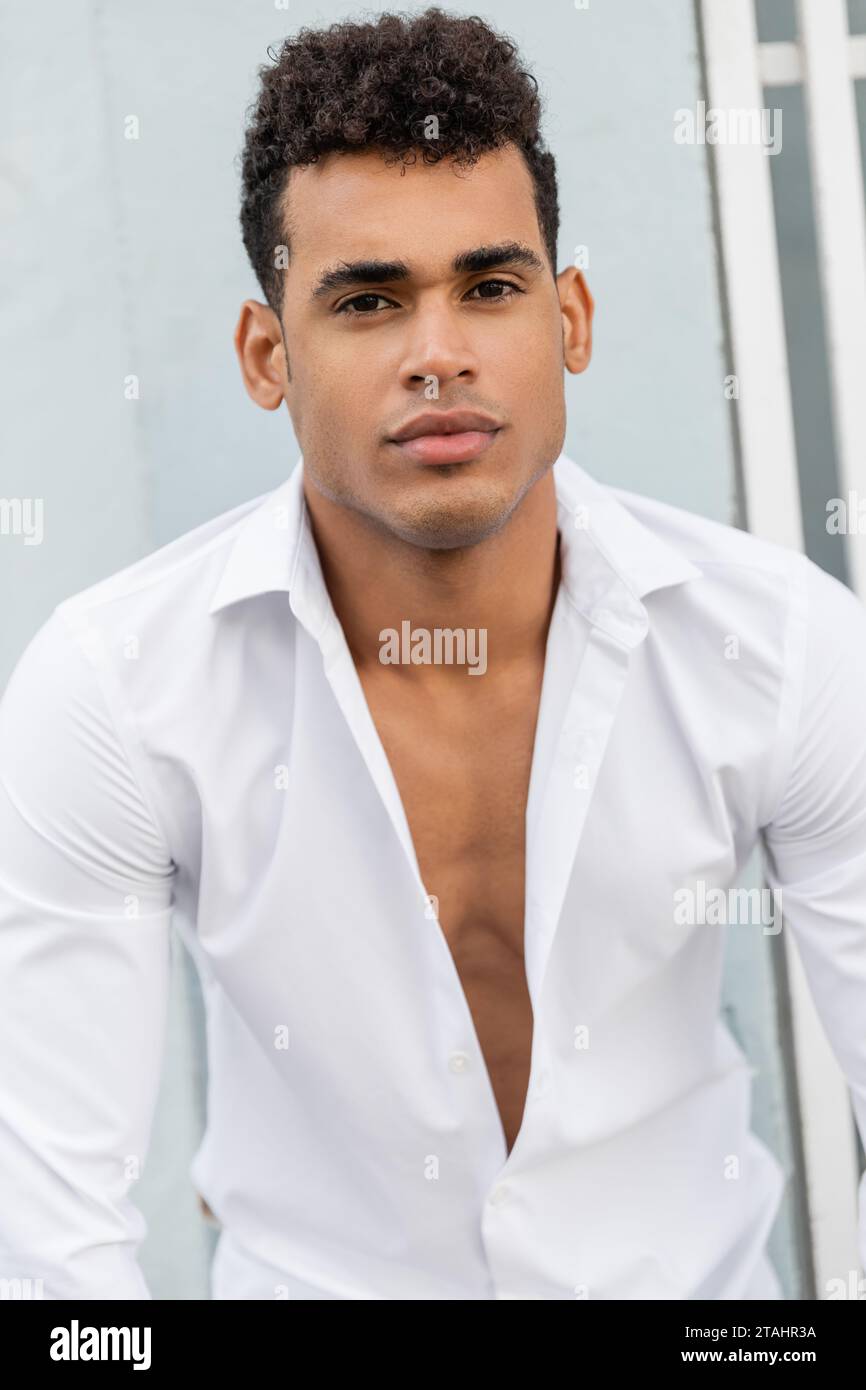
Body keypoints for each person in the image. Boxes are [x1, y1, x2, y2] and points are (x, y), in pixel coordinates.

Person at [1, 6, 864, 1301]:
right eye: (367, 301)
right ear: (264, 355)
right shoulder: (119, 690)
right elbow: (50, 1220)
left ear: (568, 319)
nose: (438, 353)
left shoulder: (777, 647)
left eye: (490, 286)